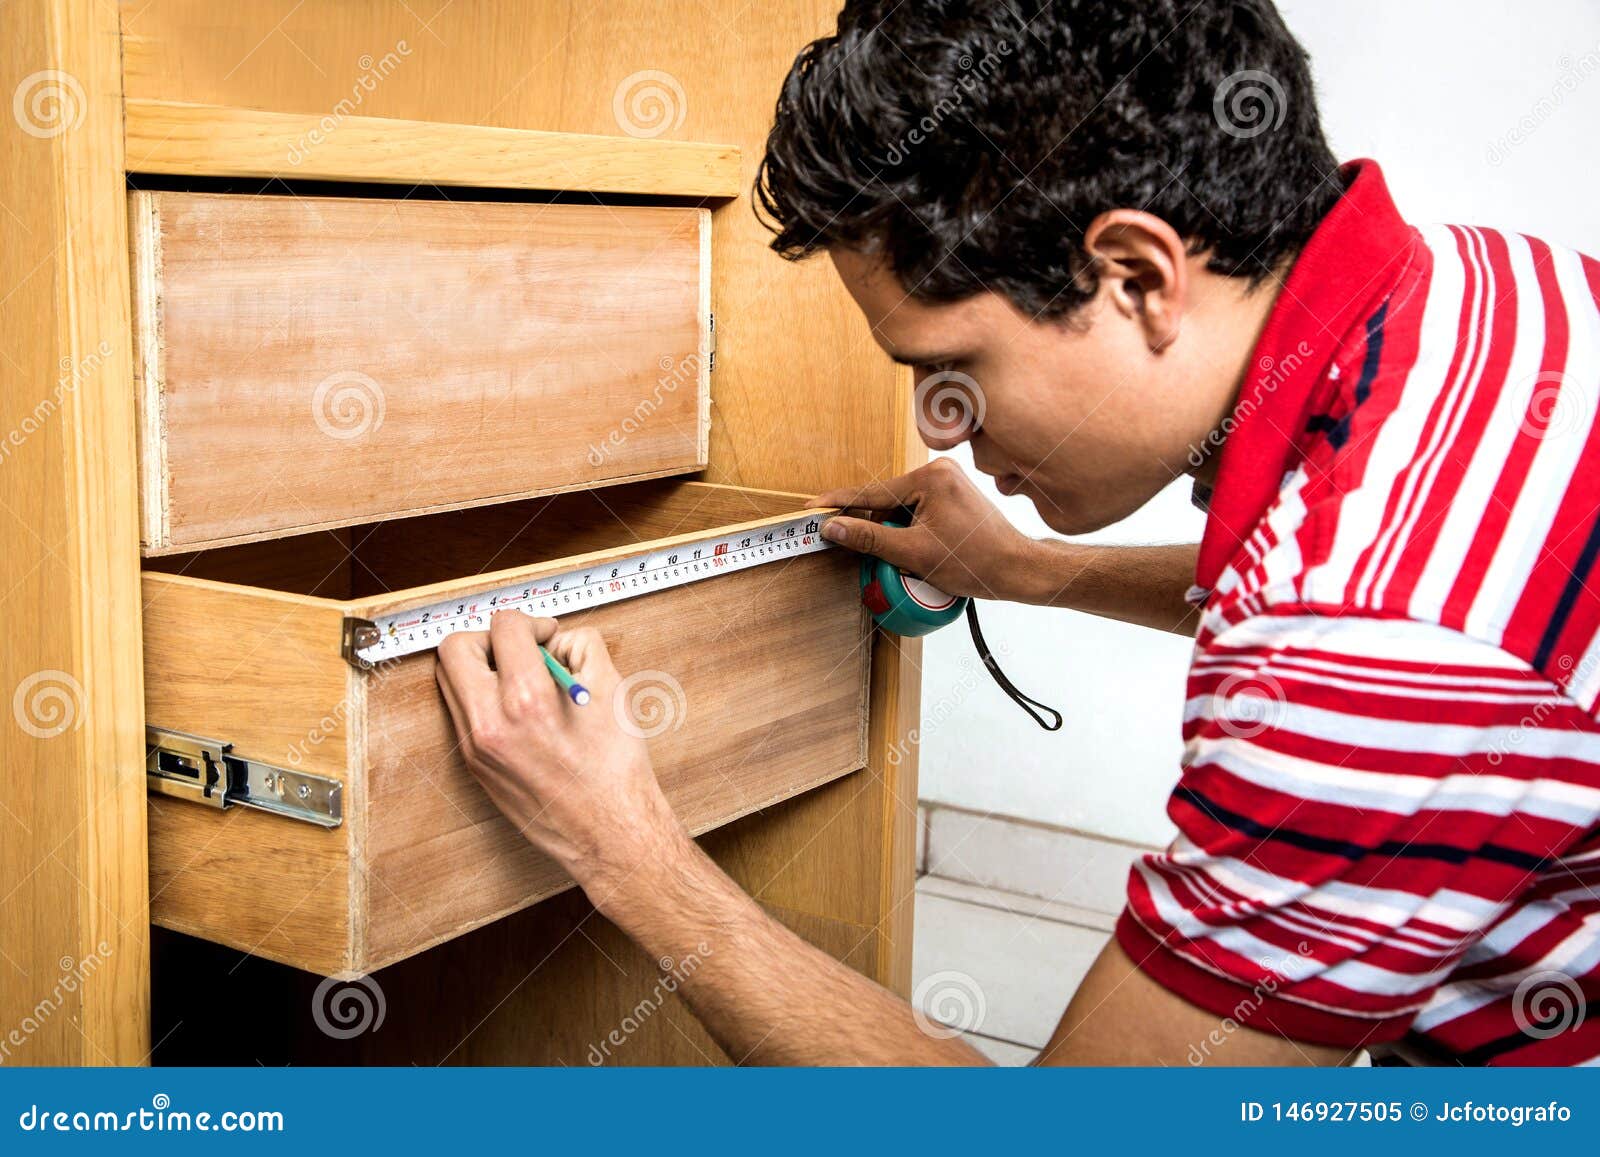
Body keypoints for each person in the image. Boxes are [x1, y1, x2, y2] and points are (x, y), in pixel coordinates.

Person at [436, 0, 1600, 1065]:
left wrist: (626, 852)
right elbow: (1427, 598)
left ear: (1137, 276)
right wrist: (1031, 569)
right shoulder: (1486, 291)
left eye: (951, 370)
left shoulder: (1360, 669)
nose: (943, 428)